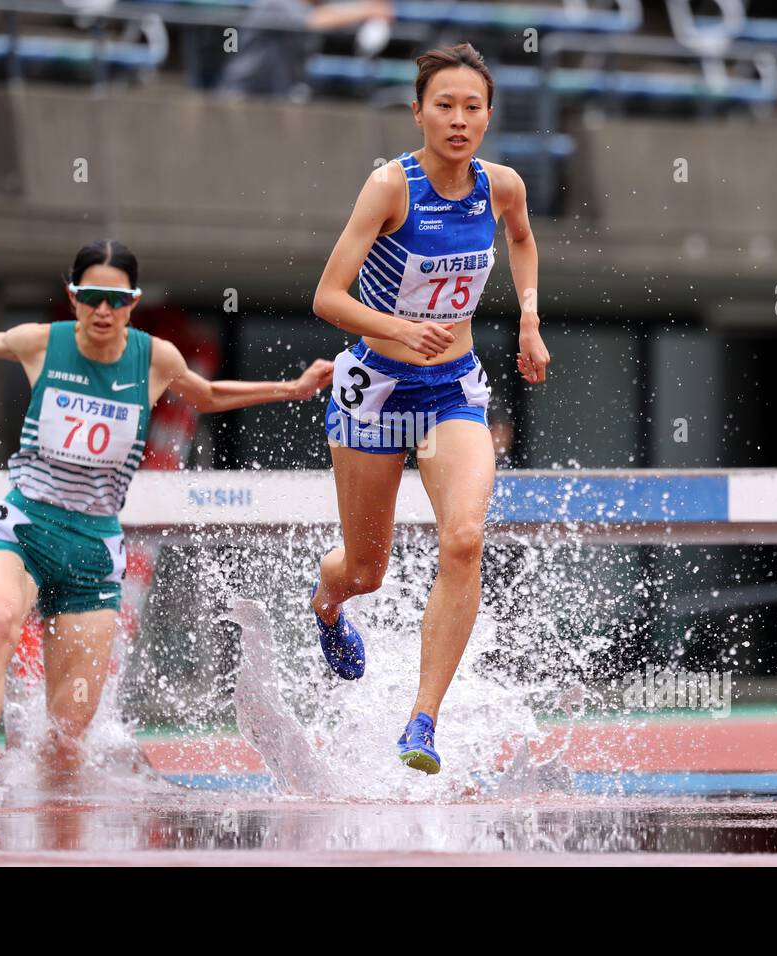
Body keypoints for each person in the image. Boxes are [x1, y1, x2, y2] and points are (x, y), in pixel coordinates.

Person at [0, 239, 333, 788]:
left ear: (133, 302)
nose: (103, 311)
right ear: (73, 297)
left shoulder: (154, 358)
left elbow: (206, 394)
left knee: (66, 741)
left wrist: (294, 388)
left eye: (116, 299)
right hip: (25, 529)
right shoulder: (43, 344)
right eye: (91, 298)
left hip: (93, 557)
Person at [309, 43, 550, 774]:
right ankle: (326, 606)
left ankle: (422, 721)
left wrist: (530, 319)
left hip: (451, 391)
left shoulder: (502, 185)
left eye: (472, 106)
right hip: (376, 387)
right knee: (365, 570)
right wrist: (395, 328)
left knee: (464, 539)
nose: (458, 119)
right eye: (444, 105)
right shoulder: (390, 188)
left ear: (488, 115)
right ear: (418, 112)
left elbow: (524, 241)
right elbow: (327, 298)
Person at [216, 0, 395, 99]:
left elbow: (329, 15)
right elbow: (313, 22)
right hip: (240, 98)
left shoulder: (313, 9)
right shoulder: (275, 3)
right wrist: (367, 9)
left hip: (274, 100)